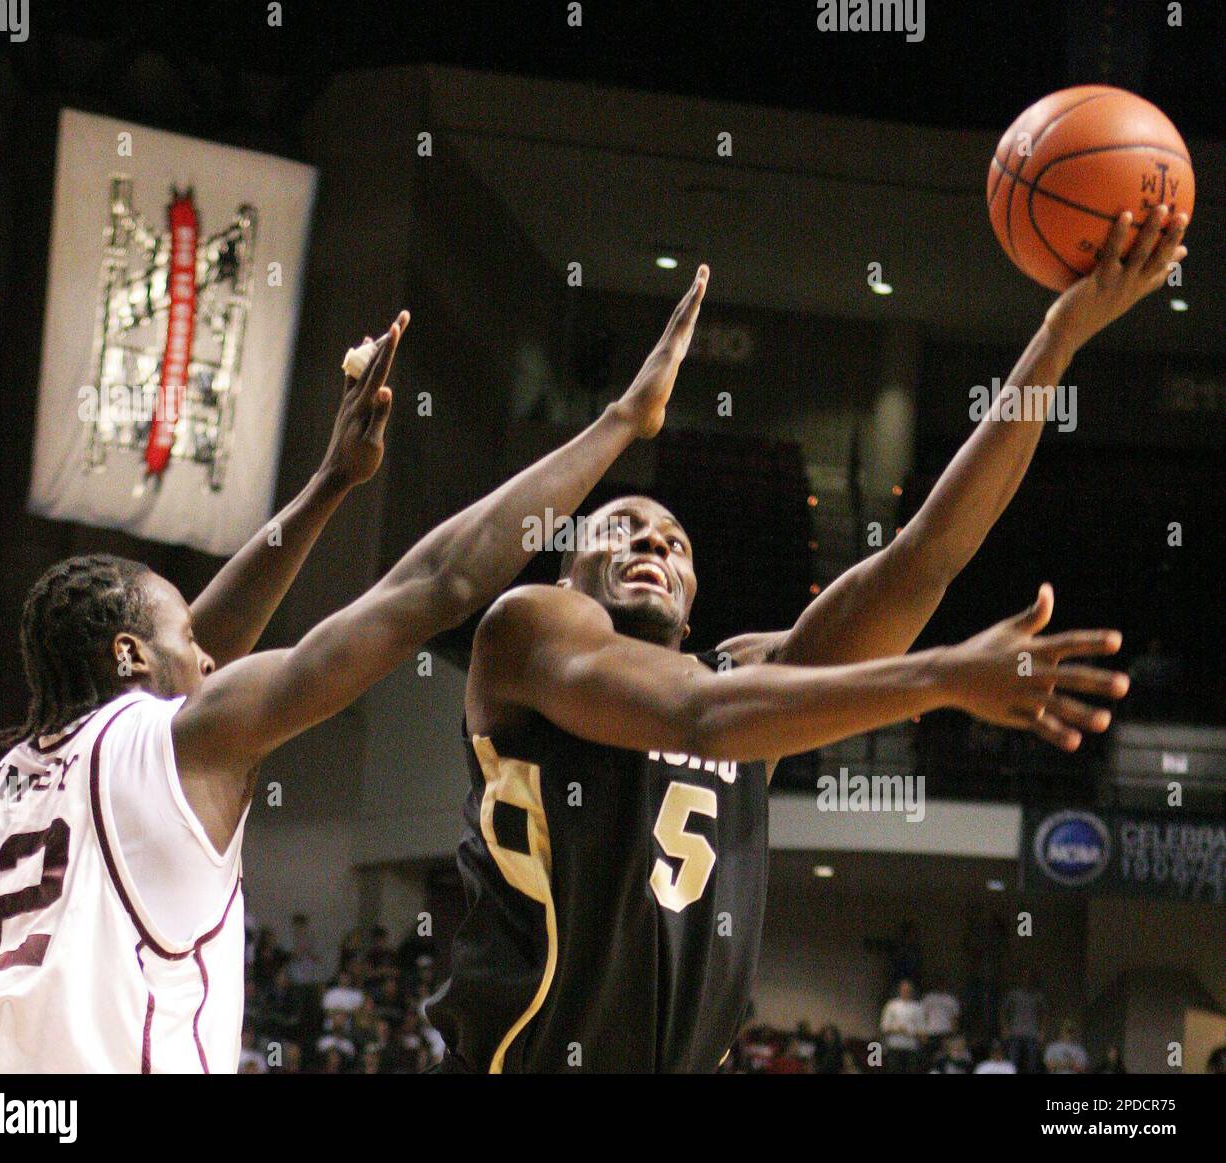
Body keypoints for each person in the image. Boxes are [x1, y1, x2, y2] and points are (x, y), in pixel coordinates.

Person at [427, 210, 1186, 1073]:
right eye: (620, 528)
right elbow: (698, 718)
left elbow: (923, 558)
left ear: (695, 595)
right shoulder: (533, 628)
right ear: (568, 567)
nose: (650, 544)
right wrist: (938, 676)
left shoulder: (749, 674)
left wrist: (1057, 339)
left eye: (674, 541)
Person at [0, 269, 707, 1074]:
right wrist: (620, 420)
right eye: (183, 638)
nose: (207, 653)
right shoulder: (178, 742)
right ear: (128, 655)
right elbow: (435, 585)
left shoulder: (19, 772)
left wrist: (332, 481)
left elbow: (210, 641)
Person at [1000, 969, 1045, 1074]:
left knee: (1032, 1063)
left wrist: (1042, 1030)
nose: (1027, 980)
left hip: (1032, 1032)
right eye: (1025, 978)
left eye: (1029, 978)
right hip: (1015, 1031)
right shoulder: (1014, 994)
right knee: (1012, 1062)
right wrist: (1005, 1027)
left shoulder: (1037, 995)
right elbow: (1003, 1010)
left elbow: (1043, 1013)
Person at [881, 979, 924, 1074]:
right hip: (894, 1046)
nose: (906, 992)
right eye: (904, 989)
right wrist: (897, 1029)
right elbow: (884, 1027)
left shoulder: (918, 1007)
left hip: (911, 1047)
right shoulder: (891, 1005)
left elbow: (922, 1031)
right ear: (899, 990)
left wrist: (910, 1031)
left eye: (908, 990)